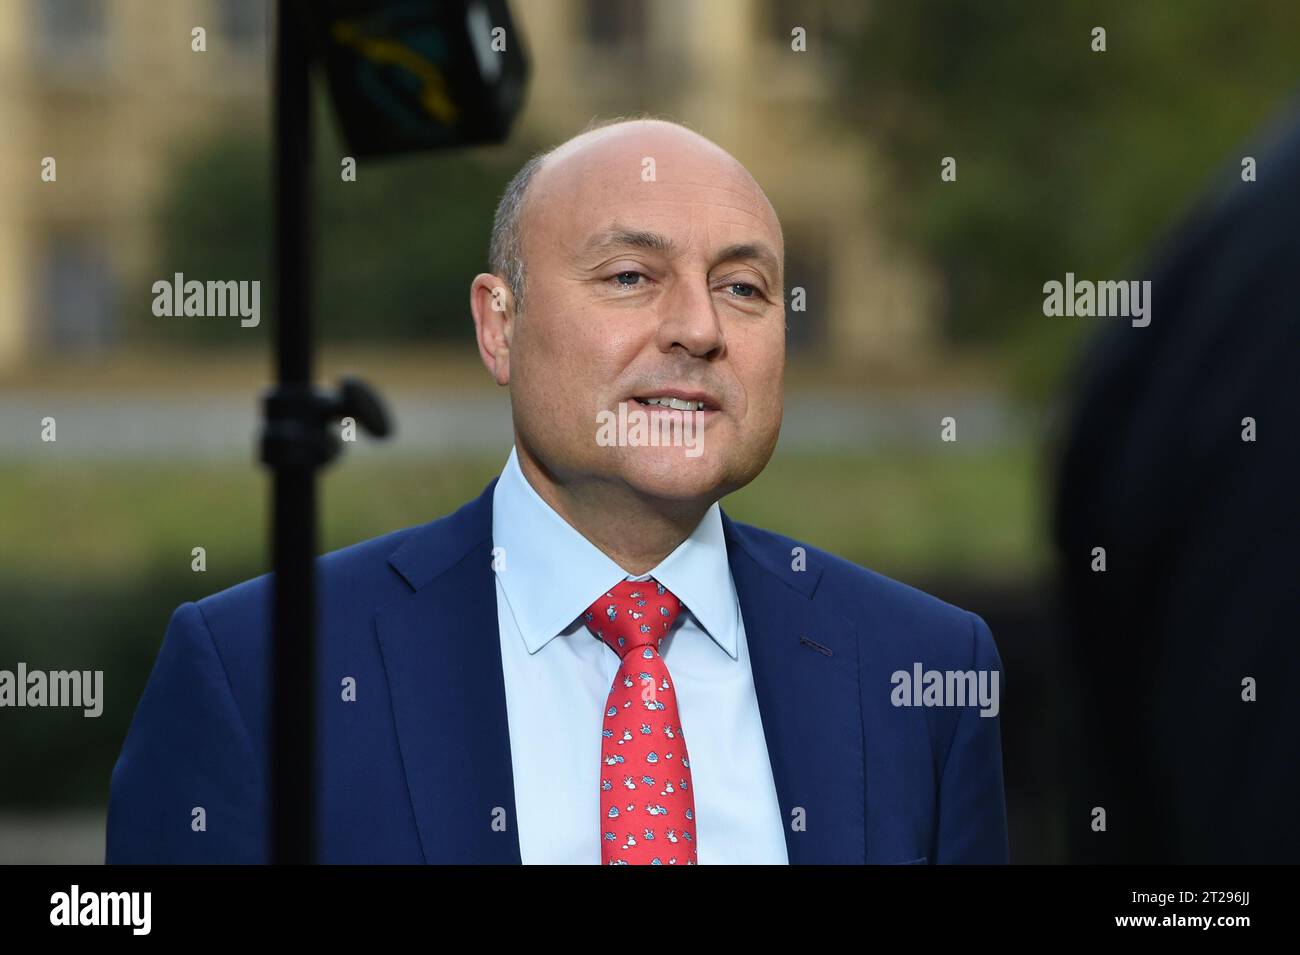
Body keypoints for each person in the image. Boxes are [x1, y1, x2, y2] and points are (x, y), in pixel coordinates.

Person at [107, 118, 1008, 864]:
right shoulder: (259, 670)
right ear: (499, 325)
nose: (698, 327)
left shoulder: (924, 668)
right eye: (629, 277)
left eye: (742, 287)